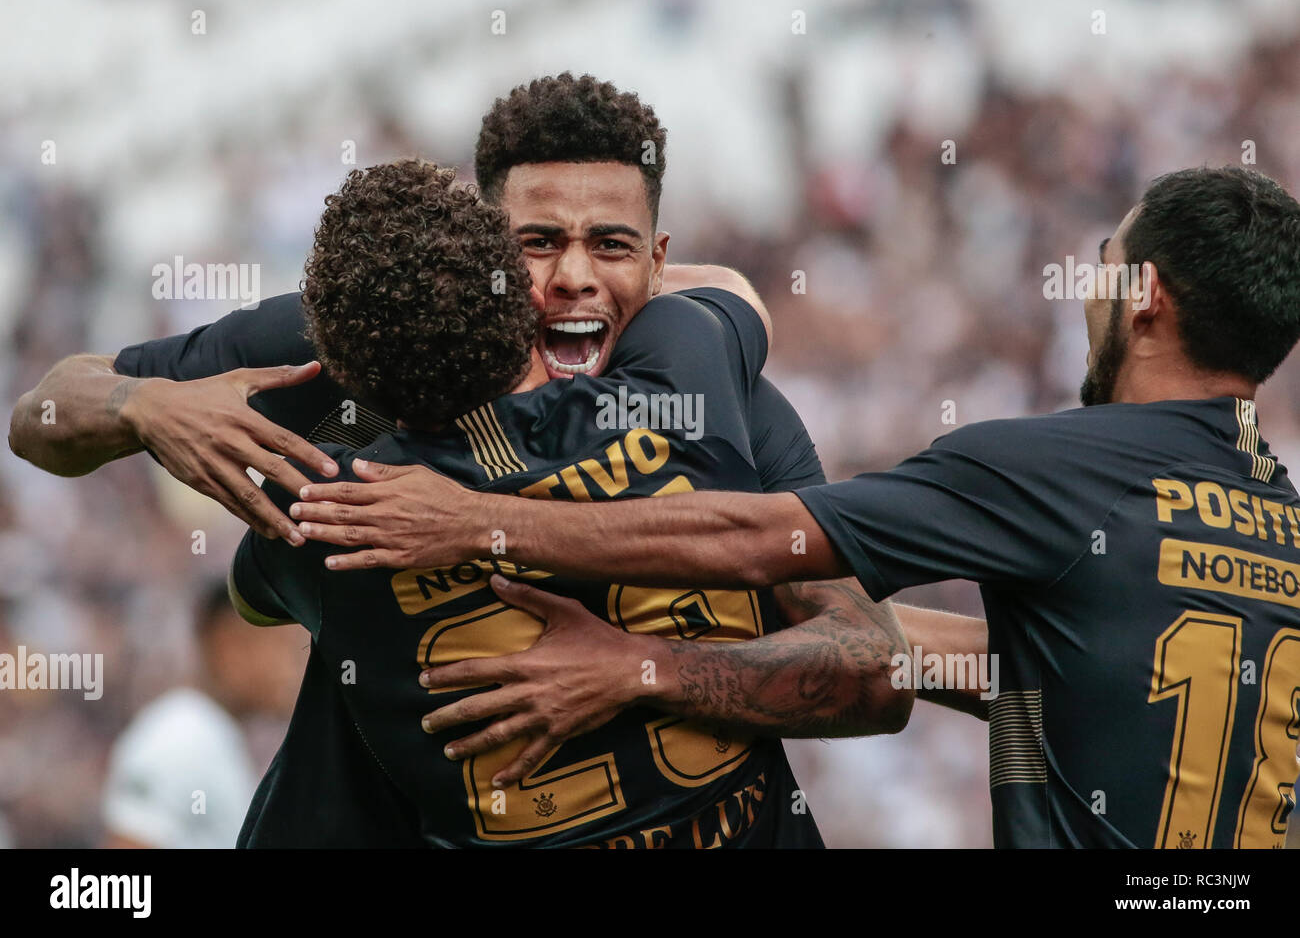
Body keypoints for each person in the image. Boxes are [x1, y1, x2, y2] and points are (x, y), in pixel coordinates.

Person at [10, 74, 919, 845]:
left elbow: (876, 666)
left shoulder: (713, 389)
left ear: (657, 259)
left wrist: (624, 658)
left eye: (611, 244)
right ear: (482, 246)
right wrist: (145, 401)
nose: (572, 277)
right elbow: (42, 411)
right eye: (536, 243)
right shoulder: (694, 349)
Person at [295, 166, 1300, 849]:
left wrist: (484, 523)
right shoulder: (1277, 523)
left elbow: (754, 539)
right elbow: (1085, 678)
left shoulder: (1051, 466)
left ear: (1144, 293)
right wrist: (716, 652)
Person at [231, 157, 860, 847]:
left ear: (351, 374)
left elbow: (248, 595)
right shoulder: (679, 372)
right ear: (521, 294)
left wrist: (356, 428)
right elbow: (728, 292)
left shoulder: (329, 523)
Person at [101, 582, 305, 848]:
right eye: (284, 646)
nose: (294, 668)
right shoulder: (179, 735)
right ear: (230, 645)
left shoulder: (215, 736)